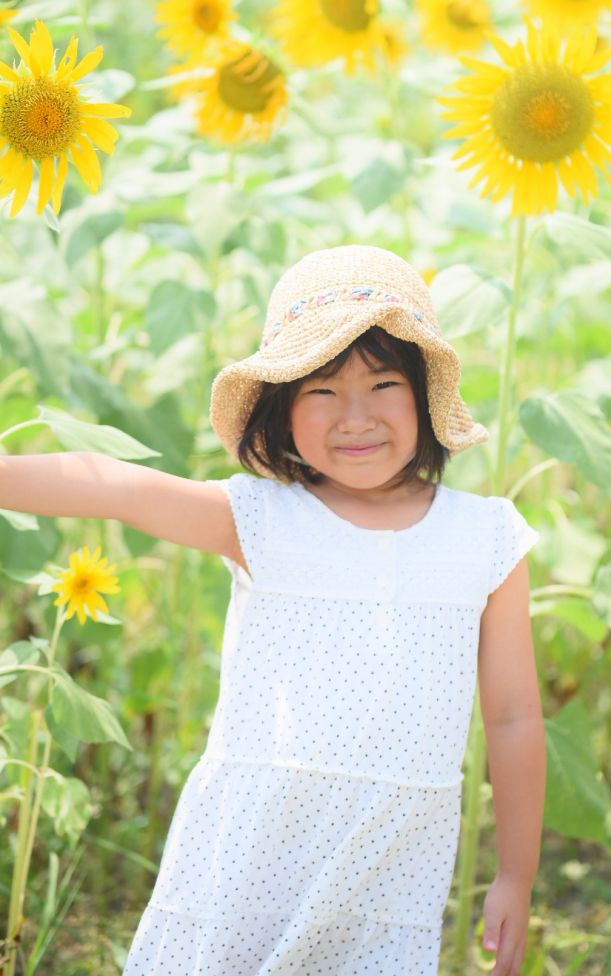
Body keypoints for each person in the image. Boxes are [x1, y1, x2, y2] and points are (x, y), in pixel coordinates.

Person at [1, 243, 546, 976]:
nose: (355, 416)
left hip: (390, 856)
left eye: (383, 384)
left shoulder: (487, 537)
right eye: (321, 390)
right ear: (281, 413)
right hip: (257, 844)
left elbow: (513, 716)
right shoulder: (259, 518)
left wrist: (515, 875)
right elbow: (111, 486)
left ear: (424, 396)